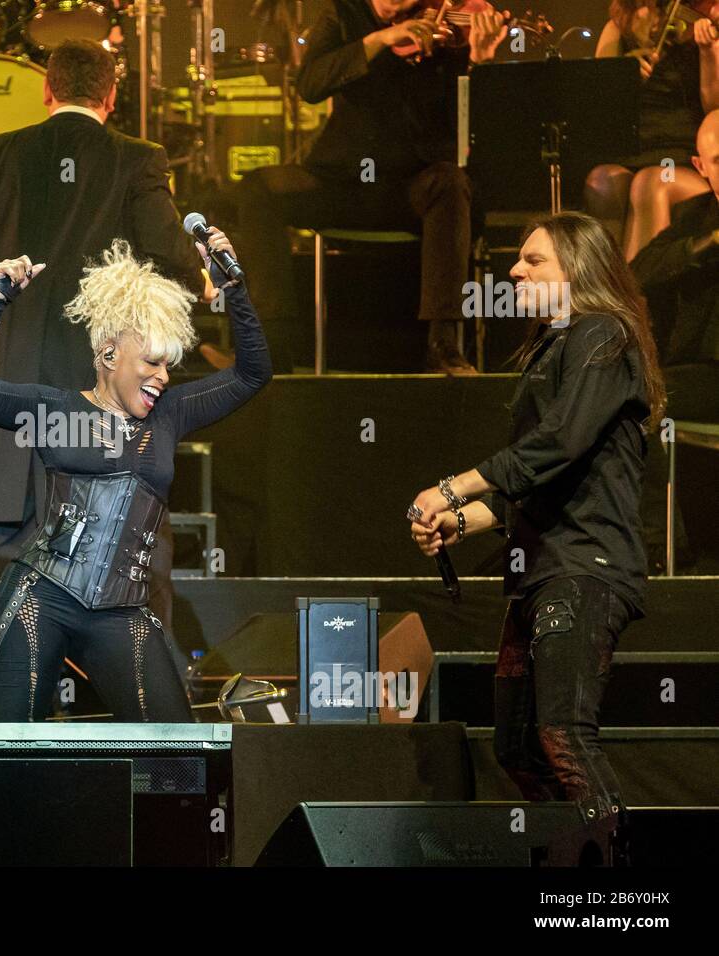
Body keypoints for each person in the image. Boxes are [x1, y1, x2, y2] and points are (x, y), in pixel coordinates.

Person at [0, 39, 212, 719]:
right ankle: (140, 704)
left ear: (46, 92)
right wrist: (159, 358)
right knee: (128, 531)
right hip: (102, 389)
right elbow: (174, 265)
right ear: (112, 97)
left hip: (7, 380)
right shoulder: (138, 160)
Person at [407, 211, 666, 823]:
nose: (514, 270)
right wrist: (461, 520)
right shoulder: (556, 347)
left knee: (563, 736)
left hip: (584, 567)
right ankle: (567, 872)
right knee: (519, 748)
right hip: (542, 572)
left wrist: (451, 486)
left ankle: (618, 898)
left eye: (534, 260)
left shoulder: (603, 333)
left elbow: (562, 441)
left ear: (577, 268)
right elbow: (534, 478)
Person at [0, 230, 270, 721]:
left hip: (122, 611)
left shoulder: (170, 415)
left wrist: (235, 288)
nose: (163, 376)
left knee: (176, 757)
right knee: (3, 749)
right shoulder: (55, 411)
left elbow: (253, 373)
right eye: (151, 362)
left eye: (168, 364)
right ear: (108, 355)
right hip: (43, 597)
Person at [235, 0, 507, 374]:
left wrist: (479, 60)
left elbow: (472, 122)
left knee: (451, 183)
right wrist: (381, 38)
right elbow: (311, 84)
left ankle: (444, 344)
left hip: (407, 186)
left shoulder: (444, 27)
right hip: (341, 182)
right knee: (259, 188)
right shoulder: (345, 13)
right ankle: (275, 342)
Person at [584, 0, 719, 261]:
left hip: (685, 161)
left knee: (651, 182)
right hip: (632, 154)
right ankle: (600, 293)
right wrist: (622, 76)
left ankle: (638, 296)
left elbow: (714, 112)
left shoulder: (702, 20)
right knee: (602, 181)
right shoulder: (618, 27)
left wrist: (709, 53)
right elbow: (599, 109)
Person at [631, 108, 719, 364]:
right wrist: (710, 242)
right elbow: (638, 272)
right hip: (699, 365)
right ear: (700, 166)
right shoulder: (695, 215)